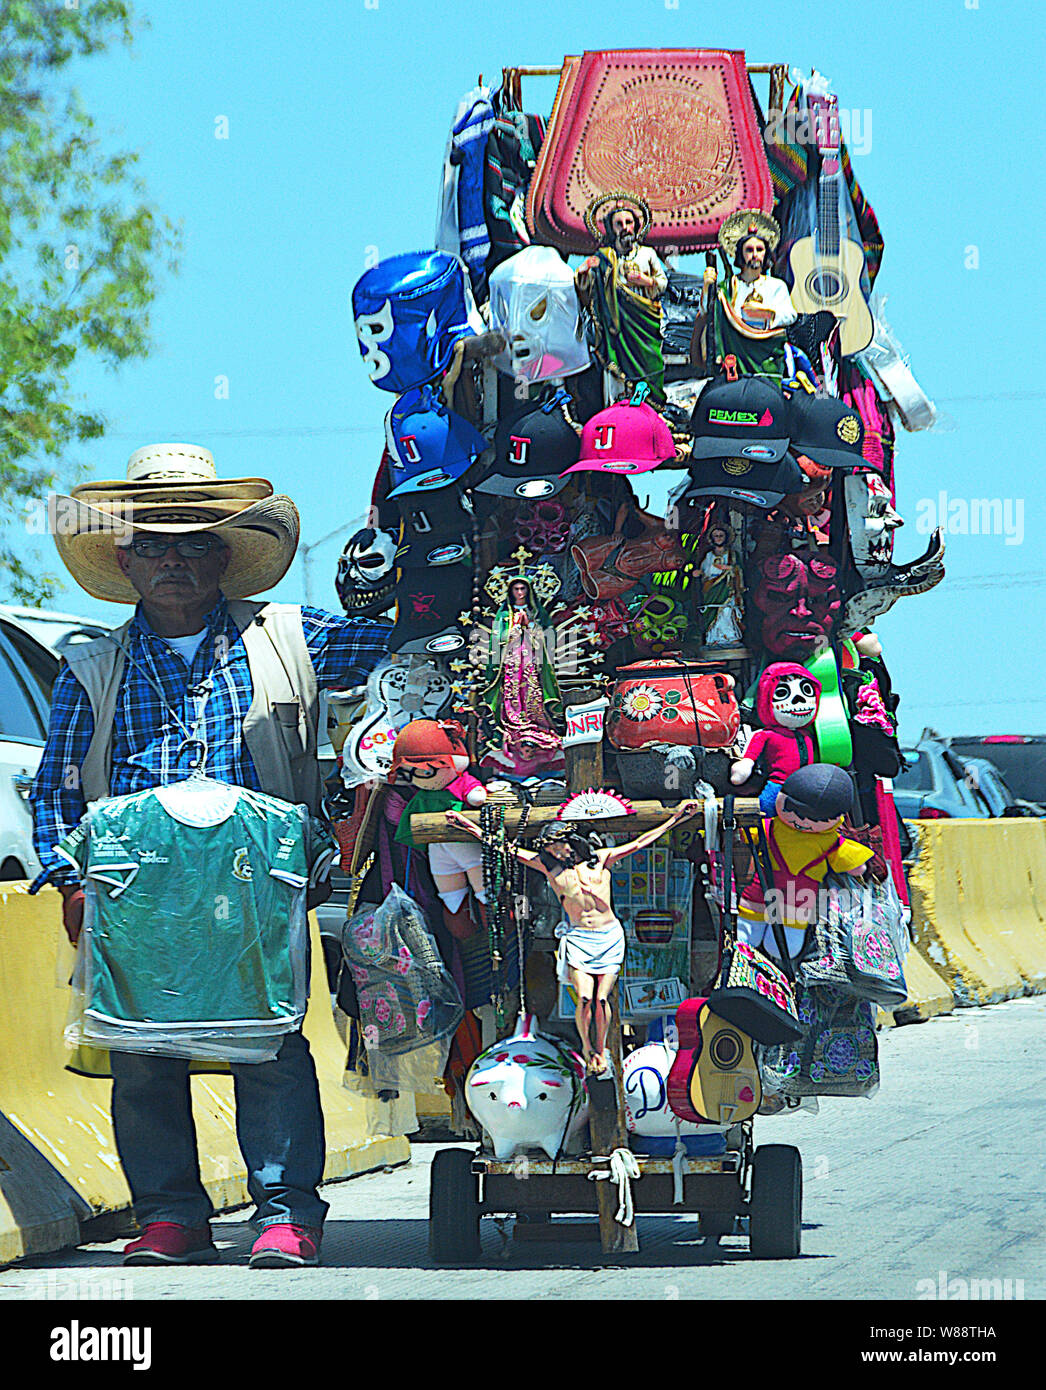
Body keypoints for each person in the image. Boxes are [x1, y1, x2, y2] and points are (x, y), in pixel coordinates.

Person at [29, 443, 391, 1271]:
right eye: (155, 543)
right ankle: (168, 1217)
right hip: (134, 897)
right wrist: (68, 878)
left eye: (194, 542)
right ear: (126, 559)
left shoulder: (290, 639)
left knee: (267, 1044)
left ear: (225, 556)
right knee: (143, 1055)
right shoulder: (90, 669)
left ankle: (286, 1213)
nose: (174, 559)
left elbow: (393, 646)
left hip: (257, 888)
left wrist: (402, 564)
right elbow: (52, 792)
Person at [445, 802, 702, 1074]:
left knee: (602, 999)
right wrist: (468, 826)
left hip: (608, 936)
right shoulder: (552, 870)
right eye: (550, 848)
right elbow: (506, 849)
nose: (555, 851)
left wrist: (675, 818)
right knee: (584, 999)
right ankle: (587, 1047)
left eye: (558, 845)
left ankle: (601, 1050)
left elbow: (640, 843)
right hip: (579, 938)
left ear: (571, 841)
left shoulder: (601, 859)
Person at [576, 192, 668, 402]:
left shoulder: (647, 254)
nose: (625, 227)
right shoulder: (604, 258)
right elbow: (589, 291)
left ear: (636, 226)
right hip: (617, 328)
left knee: (652, 364)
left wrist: (645, 281)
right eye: (619, 223)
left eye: (629, 222)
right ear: (611, 229)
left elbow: (662, 283)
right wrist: (583, 275)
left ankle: (654, 407)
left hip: (644, 323)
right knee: (617, 375)